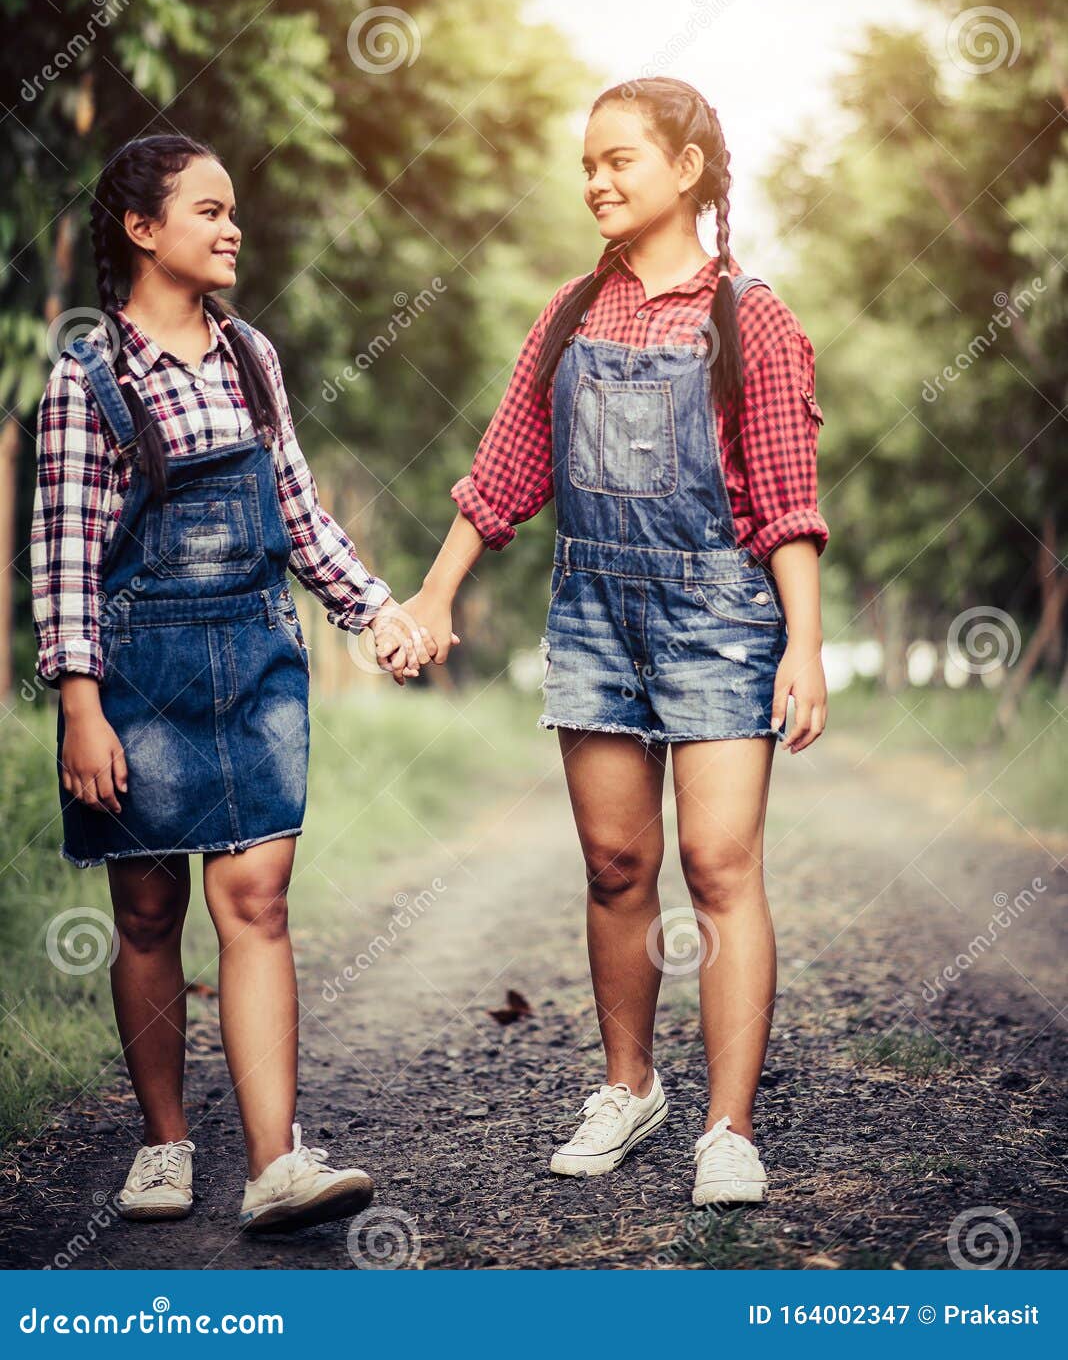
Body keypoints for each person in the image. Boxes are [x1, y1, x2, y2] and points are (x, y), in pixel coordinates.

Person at [400, 77, 829, 1206]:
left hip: (721, 618)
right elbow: (503, 471)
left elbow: (787, 502)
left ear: (687, 170)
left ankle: (729, 1127)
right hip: (592, 613)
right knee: (616, 865)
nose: (595, 179)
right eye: (586, 162)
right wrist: (437, 595)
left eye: (619, 160)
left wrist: (805, 645)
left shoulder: (752, 318)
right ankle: (629, 1086)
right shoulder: (570, 315)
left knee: (720, 863)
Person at [30, 133, 419, 1232]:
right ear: (143, 230)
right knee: (147, 912)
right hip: (139, 672)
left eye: (233, 210)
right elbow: (61, 554)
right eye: (209, 210)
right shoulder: (88, 376)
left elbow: (294, 508)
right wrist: (81, 705)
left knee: (255, 902)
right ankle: (164, 1144)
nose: (231, 227)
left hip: (255, 659)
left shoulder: (251, 355)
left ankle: (273, 1161)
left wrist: (374, 608)